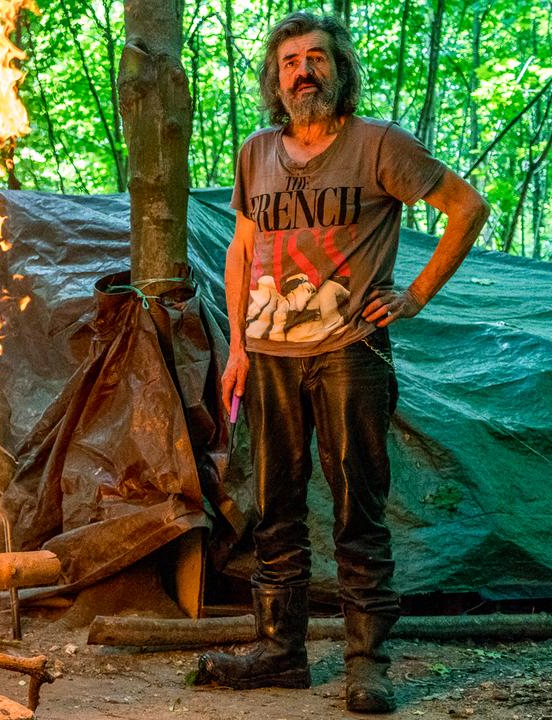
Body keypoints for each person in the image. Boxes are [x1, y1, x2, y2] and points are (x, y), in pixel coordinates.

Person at [192, 11, 490, 715]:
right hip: (267, 356)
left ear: (339, 68)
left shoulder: (380, 144)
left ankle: (366, 663)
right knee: (276, 506)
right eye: (290, 60)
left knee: (359, 508)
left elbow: (467, 208)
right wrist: (236, 345)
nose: (303, 71)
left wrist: (413, 296)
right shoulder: (255, 152)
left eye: (318, 58)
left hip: (351, 352)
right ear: (274, 77)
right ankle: (280, 651)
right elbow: (240, 251)